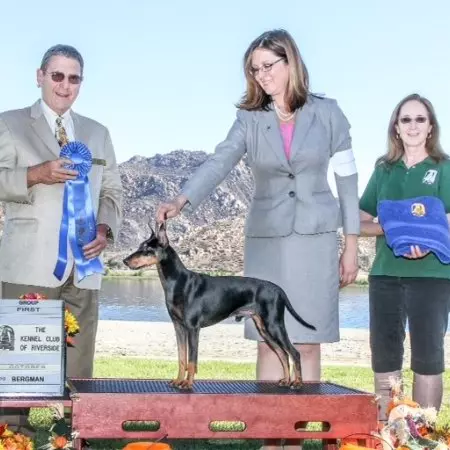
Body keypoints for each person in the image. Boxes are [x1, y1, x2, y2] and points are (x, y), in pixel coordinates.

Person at [157, 29, 360, 450]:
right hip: (267, 239)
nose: (262, 75)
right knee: (268, 341)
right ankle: (271, 443)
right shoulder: (249, 119)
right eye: (254, 69)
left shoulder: (329, 113)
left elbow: (347, 179)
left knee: (308, 340)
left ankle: (300, 439)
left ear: (292, 62)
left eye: (269, 65)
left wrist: (352, 243)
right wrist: (183, 197)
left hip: (317, 238)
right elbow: (219, 162)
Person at [0, 44, 122, 429]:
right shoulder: (9, 123)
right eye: (57, 76)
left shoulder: (98, 133)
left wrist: (105, 228)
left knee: (80, 376)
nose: (65, 86)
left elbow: (112, 192)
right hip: (29, 268)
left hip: (84, 269)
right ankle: (13, 439)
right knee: (19, 376)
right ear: (40, 77)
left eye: (74, 78)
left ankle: (74, 438)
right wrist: (35, 174)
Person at [359, 93, 450, 422]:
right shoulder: (384, 169)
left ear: (430, 127)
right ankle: (388, 434)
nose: (413, 125)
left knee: (427, 358)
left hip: (433, 276)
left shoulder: (444, 168)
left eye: (420, 119)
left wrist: (427, 239)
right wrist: (394, 230)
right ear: (396, 128)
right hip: (385, 276)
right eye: (405, 119)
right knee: (385, 357)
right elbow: (359, 220)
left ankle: (423, 437)